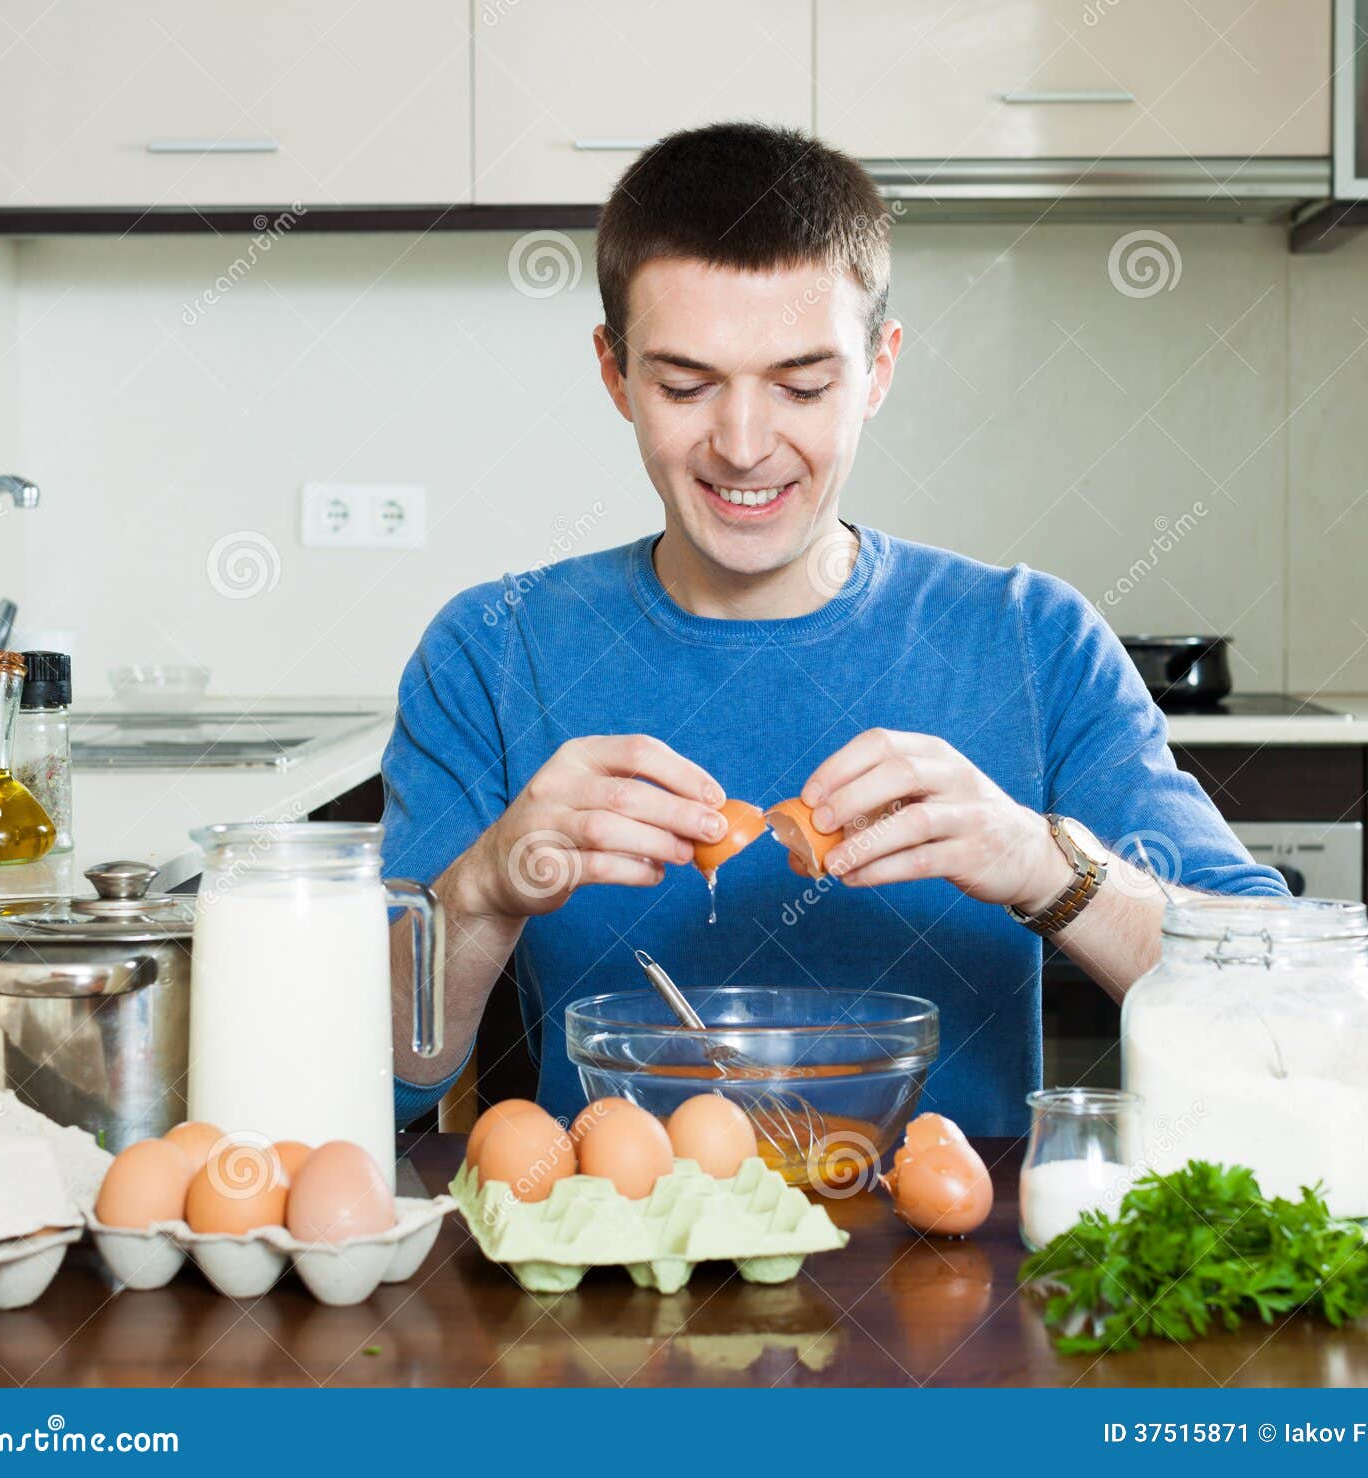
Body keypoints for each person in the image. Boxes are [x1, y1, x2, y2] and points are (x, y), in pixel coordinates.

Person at [381, 121, 1286, 1136]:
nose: (743, 443)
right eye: (685, 384)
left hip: (958, 1267)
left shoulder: (1031, 640)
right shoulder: (493, 648)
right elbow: (382, 1077)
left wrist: (1045, 865)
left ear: (879, 369)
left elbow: (1277, 1022)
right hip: (607, 1266)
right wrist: (484, 889)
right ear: (615, 373)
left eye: (802, 385)